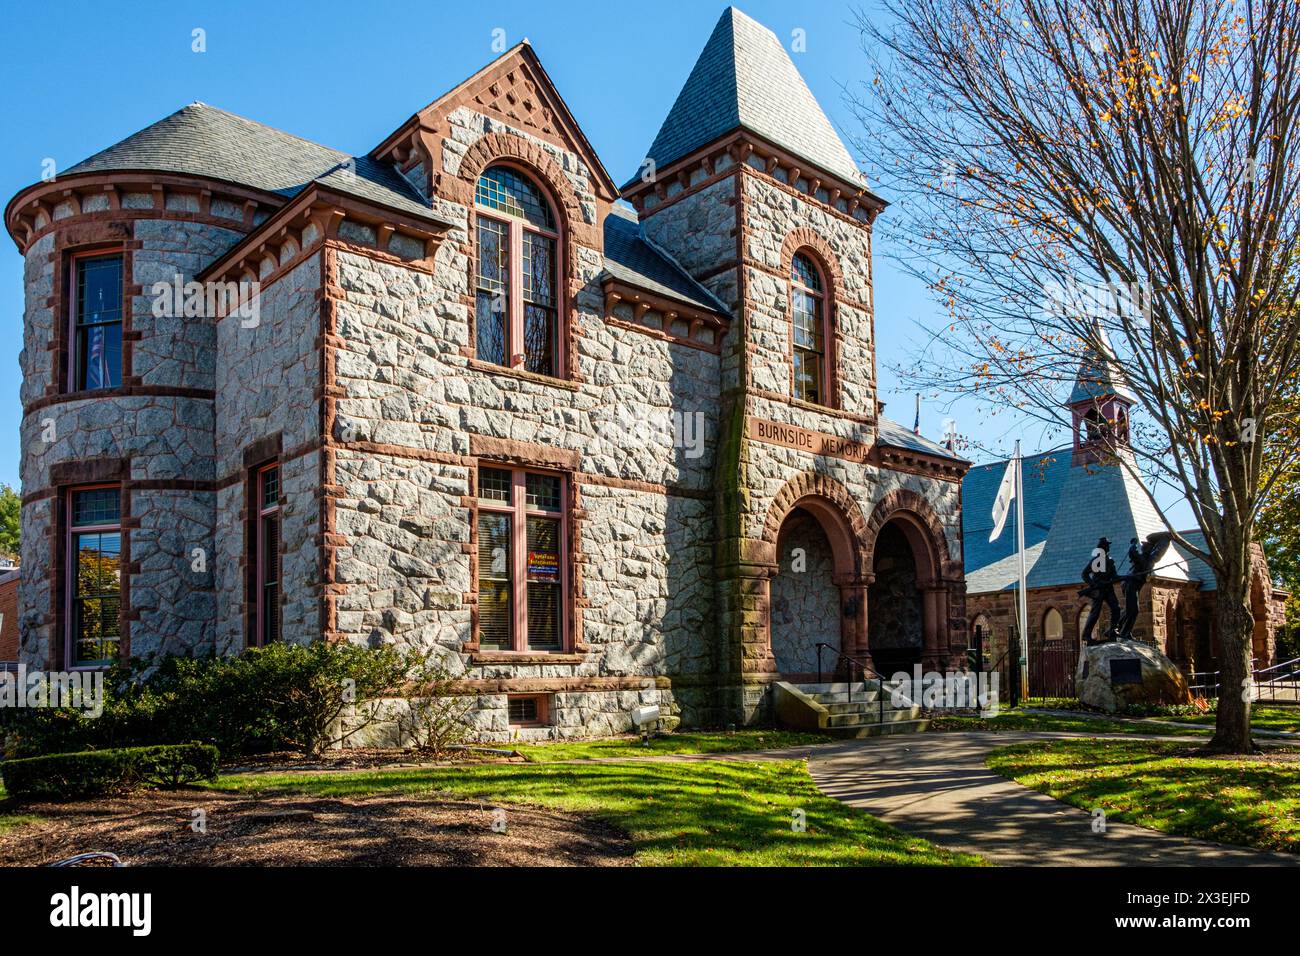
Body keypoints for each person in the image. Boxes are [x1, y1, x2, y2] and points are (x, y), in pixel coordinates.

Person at [1115, 532, 1169, 640]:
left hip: (1135, 585)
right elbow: (1132, 552)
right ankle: (1123, 632)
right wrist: (1133, 543)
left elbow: (1159, 550)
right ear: (1146, 549)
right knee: (1133, 610)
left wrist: (1166, 539)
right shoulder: (1140, 558)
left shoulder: (1149, 559)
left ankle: (1119, 629)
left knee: (1130, 609)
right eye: (1148, 547)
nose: (1150, 549)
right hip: (1130, 584)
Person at [1079, 536, 1120, 644]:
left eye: (1108, 545)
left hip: (1108, 589)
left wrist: (1125, 577)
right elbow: (1084, 574)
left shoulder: (1110, 561)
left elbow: (1114, 576)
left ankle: (1112, 631)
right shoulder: (1096, 560)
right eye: (1106, 545)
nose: (1108, 547)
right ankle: (1086, 635)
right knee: (1095, 612)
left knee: (1116, 608)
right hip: (1098, 590)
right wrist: (1093, 584)